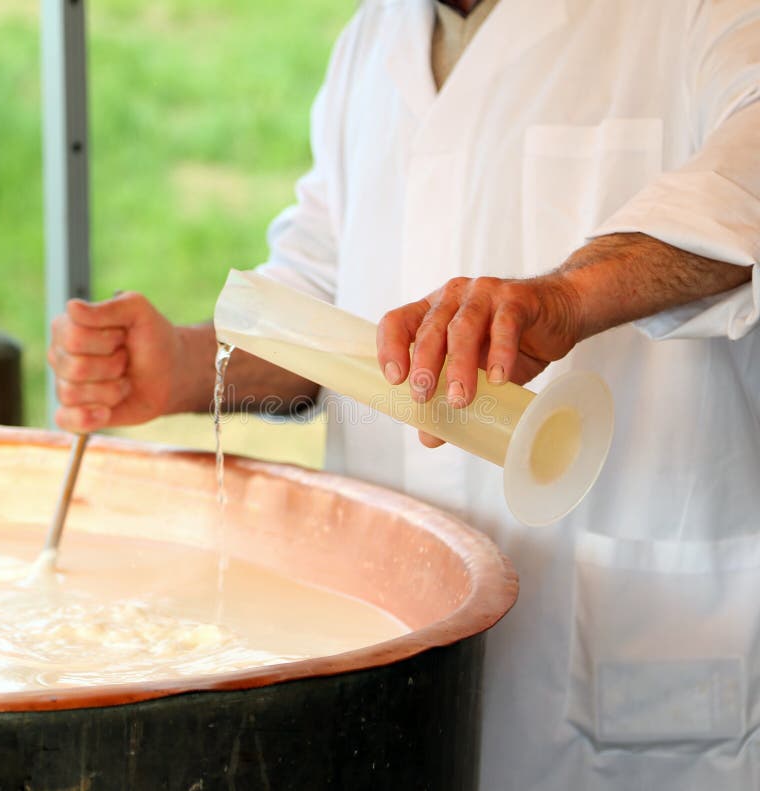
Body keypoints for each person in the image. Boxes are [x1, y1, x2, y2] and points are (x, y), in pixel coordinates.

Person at [49, 1, 760, 788]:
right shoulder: (373, 40)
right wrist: (182, 366)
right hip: (399, 661)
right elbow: (325, 300)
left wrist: (568, 295)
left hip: (635, 672)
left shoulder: (697, 14)